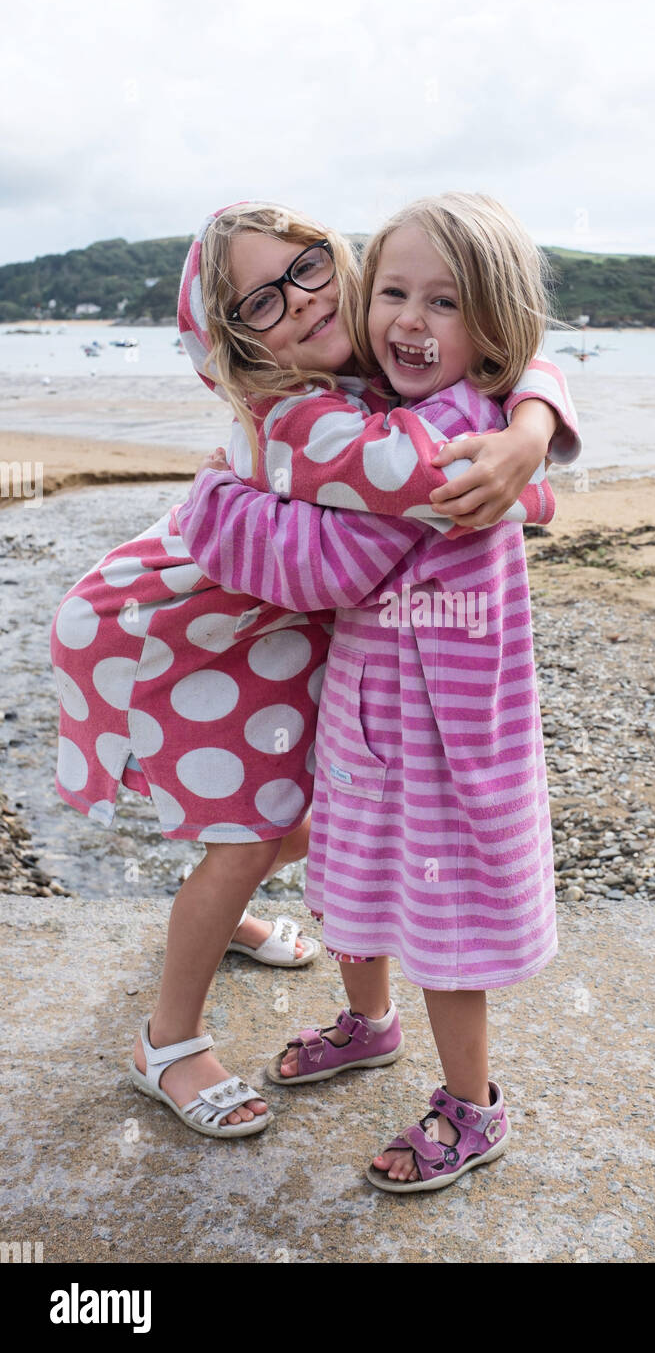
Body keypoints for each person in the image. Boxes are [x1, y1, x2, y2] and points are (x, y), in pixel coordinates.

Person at [50, 199, 580, 1138]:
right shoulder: (307, 417)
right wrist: (522, 459)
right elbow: (432, 487)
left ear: (337, 263)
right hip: (223, 640)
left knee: (306, 822)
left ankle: (248, 932)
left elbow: (513, 348)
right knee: (257, 833)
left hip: (299, 647)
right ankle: (166, 1042)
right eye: (258, 302)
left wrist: (530, 422)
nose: (295, 303)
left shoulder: (374, 369)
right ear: (234, 337)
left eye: (305, 271)